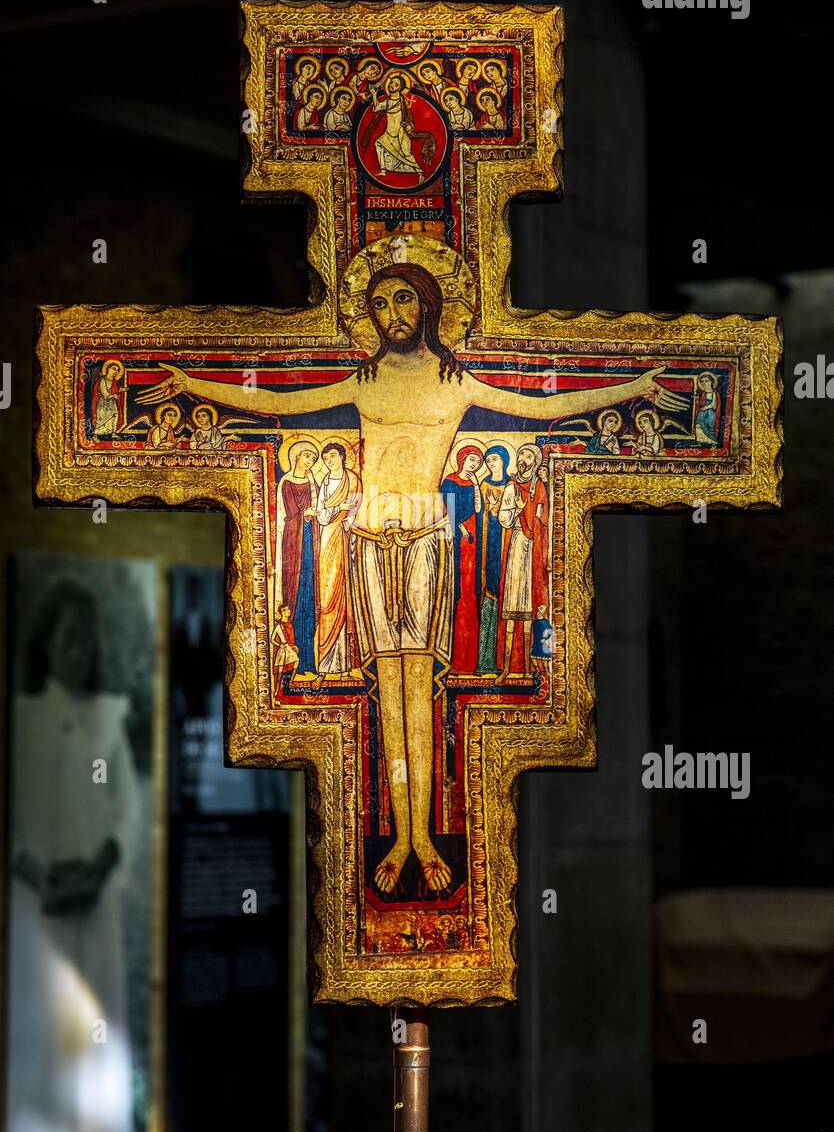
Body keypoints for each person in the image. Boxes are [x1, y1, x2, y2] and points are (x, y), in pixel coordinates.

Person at [139, 258, 687, 896]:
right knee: (389, 691)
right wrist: (194, 383)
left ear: (427, 305)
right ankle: (400, 836)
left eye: (402, 300)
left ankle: (420, 837)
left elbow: (544, 406)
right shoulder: (362, 382)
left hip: (426, 540)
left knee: (418, 692)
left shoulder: (457, 384)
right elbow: (276, 402)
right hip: (368, 539)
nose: (391, 315)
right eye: (378, 306)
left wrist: (633, 387)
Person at [7, 579, 139, 1132]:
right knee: (42, 1036)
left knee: (99, 1035)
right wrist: (41, 876)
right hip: (38, 909)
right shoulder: (21, 719)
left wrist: (100, 864)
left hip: (96, 903)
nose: (80, 652)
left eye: (88, 640)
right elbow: (3, 814)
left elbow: (126, 810)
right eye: (69, 639)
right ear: (47, 645)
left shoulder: (107, 722)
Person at [498, 443, 549, 679]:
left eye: (528, 456)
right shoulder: (512, 487)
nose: (523, 460)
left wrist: (527, 513)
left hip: (533, 548)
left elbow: (542, 520)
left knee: (529, 607)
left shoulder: (539, 487)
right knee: (511, 605)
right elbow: (504, 519)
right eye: (521, 455)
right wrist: (518, 511)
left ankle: (529, 668)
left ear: (535, 461)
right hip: (516, 544)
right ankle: (508, 667)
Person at [314, 442, 361, 676]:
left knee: (348, 591)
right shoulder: (325, 483)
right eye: (325, 457)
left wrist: (348, 519)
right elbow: (321, 515)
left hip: (347, 535)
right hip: (329, 536)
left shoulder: (352, 480)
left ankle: (348, 663)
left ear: (342, 456)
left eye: (332, 456)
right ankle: (326, 660)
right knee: (328, 591)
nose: (329, 460)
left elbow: (359, 507)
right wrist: (336, 508)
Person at [275, 440, 320, 676]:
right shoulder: (287, 482)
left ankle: (309, 662)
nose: (309, 462)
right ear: (296, 458)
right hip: (294, 542)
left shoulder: (314, 484)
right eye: (306, 457)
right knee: (296, 597)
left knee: (309, 601)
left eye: (313, 459)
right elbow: (291, 512)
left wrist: (314, 516)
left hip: (310, 542)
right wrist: (306, 514)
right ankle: (295, 663)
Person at [440, 444, 484, 672]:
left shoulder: (475, 483)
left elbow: (478, 510)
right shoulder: (450, 481)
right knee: (457, 589)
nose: (474, 465)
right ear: (462, 460)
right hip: (457, 539)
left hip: (473, 540)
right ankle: (454, 658)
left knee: (471, 589)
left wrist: (476, 486)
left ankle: (470, 660)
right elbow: (446, 511)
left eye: (478, 462)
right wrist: (461, 529)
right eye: (471, 460)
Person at [476, 445, 511, 674]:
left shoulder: (511, 485)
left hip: (506, 546)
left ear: (505, 461)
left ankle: (502, 661)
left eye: (494, 459)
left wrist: (497, 508)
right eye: (488, 461)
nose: (490, 464)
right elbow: (479, 515)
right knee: (488, 597)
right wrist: (488, 508)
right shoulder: (484, 484)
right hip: (488, 547)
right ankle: (485, 661)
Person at [271, 604, 299, 696]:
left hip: (289, 648)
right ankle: (276, 690)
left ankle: (291, 682)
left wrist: (294, 646)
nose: (289, 611)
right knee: (280, 671)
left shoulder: (289, 623)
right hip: (283, 649)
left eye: (288, 610)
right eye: (286, 610)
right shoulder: (279, 626)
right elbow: (272, 639)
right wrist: (279, 645)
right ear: (282, 612)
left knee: (297, 661)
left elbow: (291, 638)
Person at [92, 359, 125, 437]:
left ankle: (113, 433)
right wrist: (113, 396)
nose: (116, 372)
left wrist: (121, 390)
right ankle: (95, 435)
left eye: (117, 370)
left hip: (112, 402)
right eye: (114, 369)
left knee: (114, 415)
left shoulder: (113, 381)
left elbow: (114, 391)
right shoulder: (102, 380)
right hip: (103, 402)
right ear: (107, 369)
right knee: (102, 418)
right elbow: (104, 393)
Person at [695, 372, 719, 444]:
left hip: (710, 413)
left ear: (711, 382)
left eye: (706, 381)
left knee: (710, 427)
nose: (704, 383)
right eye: (702, 381)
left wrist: (706, 407)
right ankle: (699, 442)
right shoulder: (703, 393)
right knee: (699, 425)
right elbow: (700, 404)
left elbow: (714, 405)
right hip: (702, 412)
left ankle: (713, 443)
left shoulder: (713, 393)